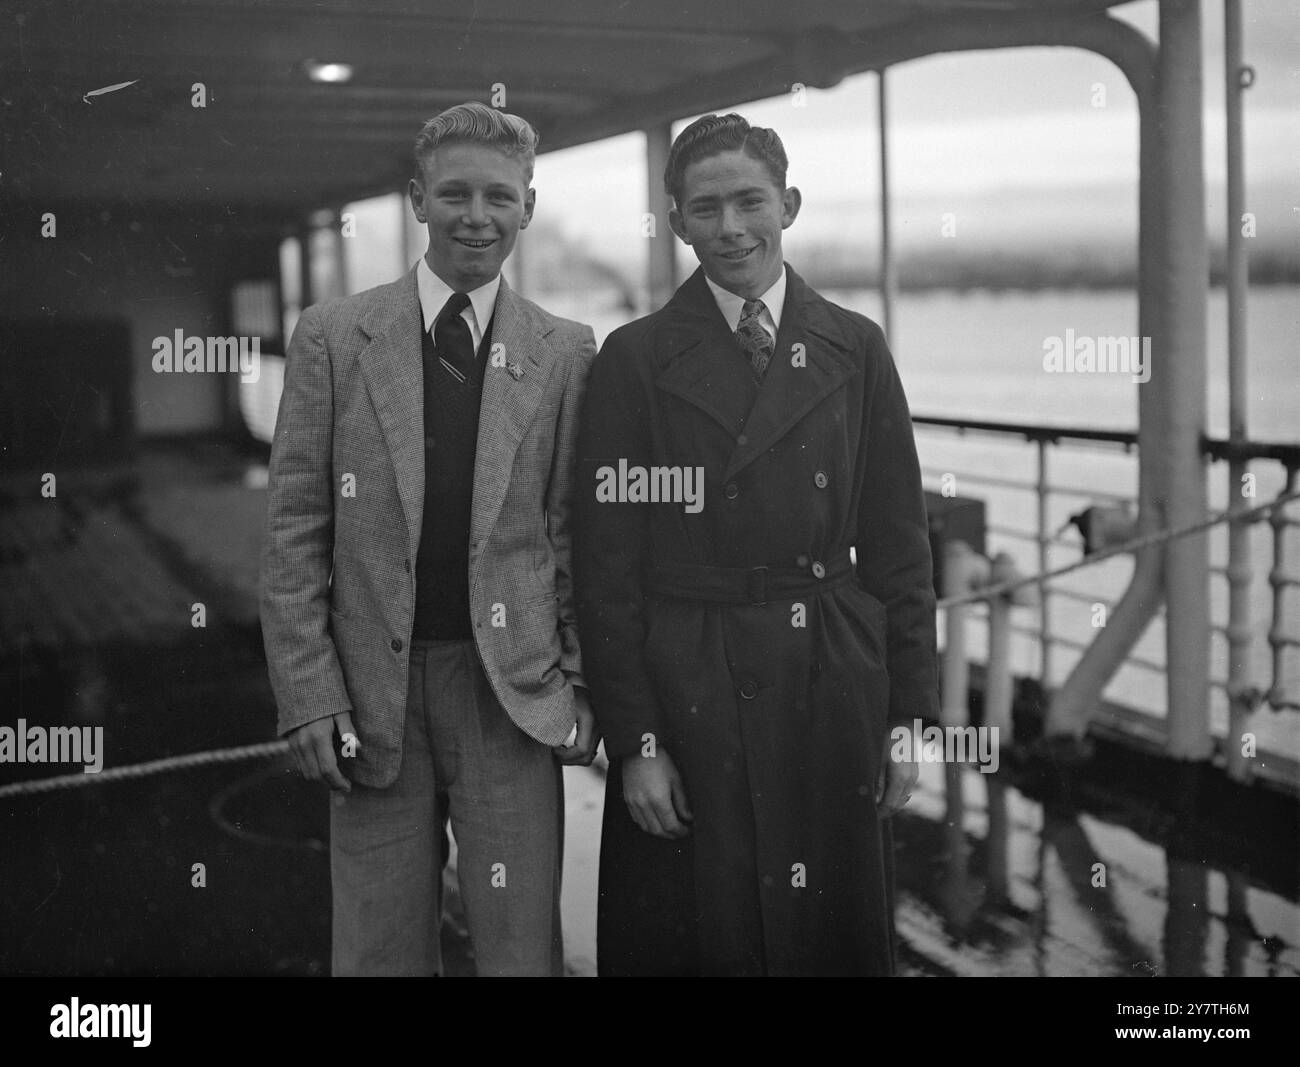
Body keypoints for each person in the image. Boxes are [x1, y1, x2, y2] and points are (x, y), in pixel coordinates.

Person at [574, 113, 938, 976]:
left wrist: (910, 718)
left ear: (791, 204)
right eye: (706, 209)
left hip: (831, 674)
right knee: (703, 929)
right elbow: (606, 568)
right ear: (676, 223)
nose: (731, 228)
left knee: (826, 936)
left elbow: (899, 547)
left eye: (750, 202)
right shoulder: (634, 359)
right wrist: (639, 745)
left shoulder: (855, 345)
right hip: (691, 676)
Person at [260, 102, 598, 976]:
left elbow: (573, 534)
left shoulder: (565, 352)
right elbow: (296, 526)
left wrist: (583, 681)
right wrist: (306, 691)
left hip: (509, 696)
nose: (476, 217)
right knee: (377, 951)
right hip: (371, 697)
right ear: (417, 198)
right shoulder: (335, 337)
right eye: (454, 193)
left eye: (499, 196)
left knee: (521, 953)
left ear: (528, 205)